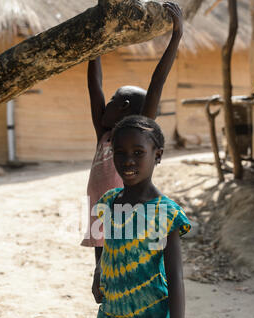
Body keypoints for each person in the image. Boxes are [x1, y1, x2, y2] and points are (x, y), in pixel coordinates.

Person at [90, 115, 191, 318]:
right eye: (121, 153)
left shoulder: (165, 212)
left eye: (138, 152)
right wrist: (99, 272)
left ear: (157, 154)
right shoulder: (107, 204)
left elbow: (175, 280)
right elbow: (102, 244)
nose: (128, 160)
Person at [81, 2, 183, 268]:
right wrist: (97, 47)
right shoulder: (105, 136)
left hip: (127, 212)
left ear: (124, 107)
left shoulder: (140, 132)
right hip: (99, 211)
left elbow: (156, 83)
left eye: (113, 99)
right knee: (103, 272)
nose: (106, 102)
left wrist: (176, 37)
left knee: (129, 266)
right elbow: (95, 87)